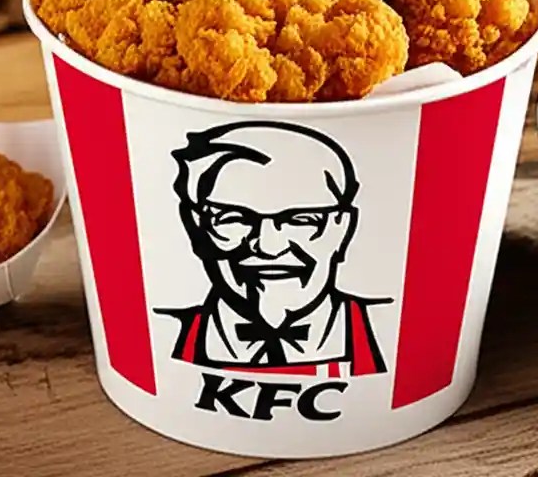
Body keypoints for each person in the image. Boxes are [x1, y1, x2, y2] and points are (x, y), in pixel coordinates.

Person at [158, 121, 388, 376]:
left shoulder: (394, 329)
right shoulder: (156, 333)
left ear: (342, 229)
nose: (269, 247)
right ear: (195, 227)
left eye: (301, 220)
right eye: (234, 219)